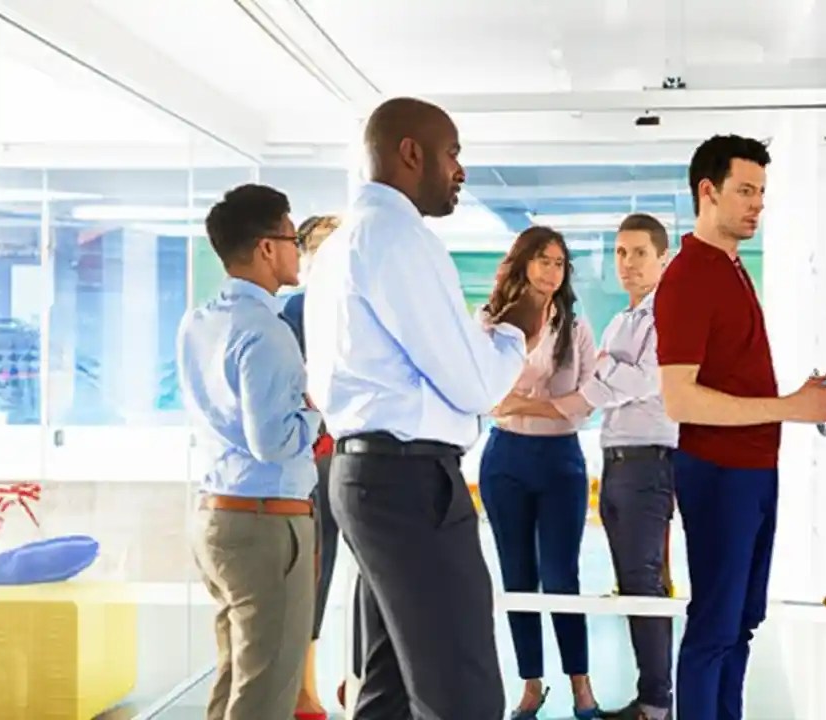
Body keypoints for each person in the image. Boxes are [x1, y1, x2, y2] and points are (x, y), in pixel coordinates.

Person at [303, 96, 549, 720]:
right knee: (460, 692)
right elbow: (474, 386)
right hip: (408, 482)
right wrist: (517, 332)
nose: (460, 170)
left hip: (366, 477)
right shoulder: (398, 237)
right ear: (411, 153)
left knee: (387, 689)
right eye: (452, 154)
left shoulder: (339, 245)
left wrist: (482, 341)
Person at [653, 136, 826, 720]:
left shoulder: (732, 269)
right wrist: (789, 406)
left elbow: (733, 379)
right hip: (718, 473)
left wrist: (796, 400)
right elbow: (679, 399)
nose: (756, 205)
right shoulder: (690, 276)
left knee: (741, 622)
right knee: (715, 625)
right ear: (706, 192)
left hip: (754, 471)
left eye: (761, 193)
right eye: (744, 191)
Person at [177, 184, 321, 720]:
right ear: (265, 247)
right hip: (265, 525)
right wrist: (317, 408)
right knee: (266, 694)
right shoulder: (268, 331)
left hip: (216, 519)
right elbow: (274, 442)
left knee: (235, 676)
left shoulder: (198, 321)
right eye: (292, 238)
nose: (297, 251)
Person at [480, 226, 601, 719]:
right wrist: (546, 403)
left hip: (560, 462)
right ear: (523, 262)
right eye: (543, 260)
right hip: (505, 459)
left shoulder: (576, 325)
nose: (552, 271)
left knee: (561, 575)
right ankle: (532, 685)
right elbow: (485, 395)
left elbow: (587, 402)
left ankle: (581, 685)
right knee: (518, 577)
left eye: (559, 263)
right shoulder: (490, 322)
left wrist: (531, 404)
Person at [573, 213, 678, 720]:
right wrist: (610, 374)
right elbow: (601, 391)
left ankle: (657, 705)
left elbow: (638, 382)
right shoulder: (621, 321)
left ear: (664, 257)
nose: (628, 263)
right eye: (620, 252)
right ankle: (650, 697)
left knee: (643, 584)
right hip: (616, 463)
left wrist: (607, 370)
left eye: (639, 252)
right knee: (633, 584)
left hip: (649, 463)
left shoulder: (670, 315)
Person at [278, 213, 344, 719]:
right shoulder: (293, 311)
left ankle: (363, 675)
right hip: (311, 460)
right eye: (319, 247)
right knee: (315, 572)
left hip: (357, 457)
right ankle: (305, 686)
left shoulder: (357, 308)